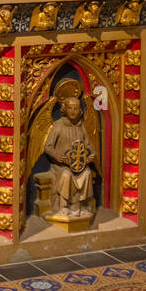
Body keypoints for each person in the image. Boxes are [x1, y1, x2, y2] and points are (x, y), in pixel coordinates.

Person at [44, 81, 99, 221]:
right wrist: (58, 157)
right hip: (61, 165)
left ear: (80, 110)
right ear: (65, 109)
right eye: (70, 108)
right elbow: (48, 147)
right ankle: (64, 206)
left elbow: (89, 146)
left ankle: (78, 206)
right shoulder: (59, 125)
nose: (73, 111)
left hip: (79, 165)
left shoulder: (81, 126)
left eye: (76, 108)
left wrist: (91, 155)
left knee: (86, 173)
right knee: (67, 175)